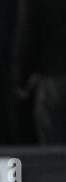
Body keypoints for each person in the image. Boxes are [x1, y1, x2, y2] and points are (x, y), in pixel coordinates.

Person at [13, 0, 66, 145]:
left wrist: (21, 79)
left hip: (53, 78)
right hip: (53, 75)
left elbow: (27, 35)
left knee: (53, 148)